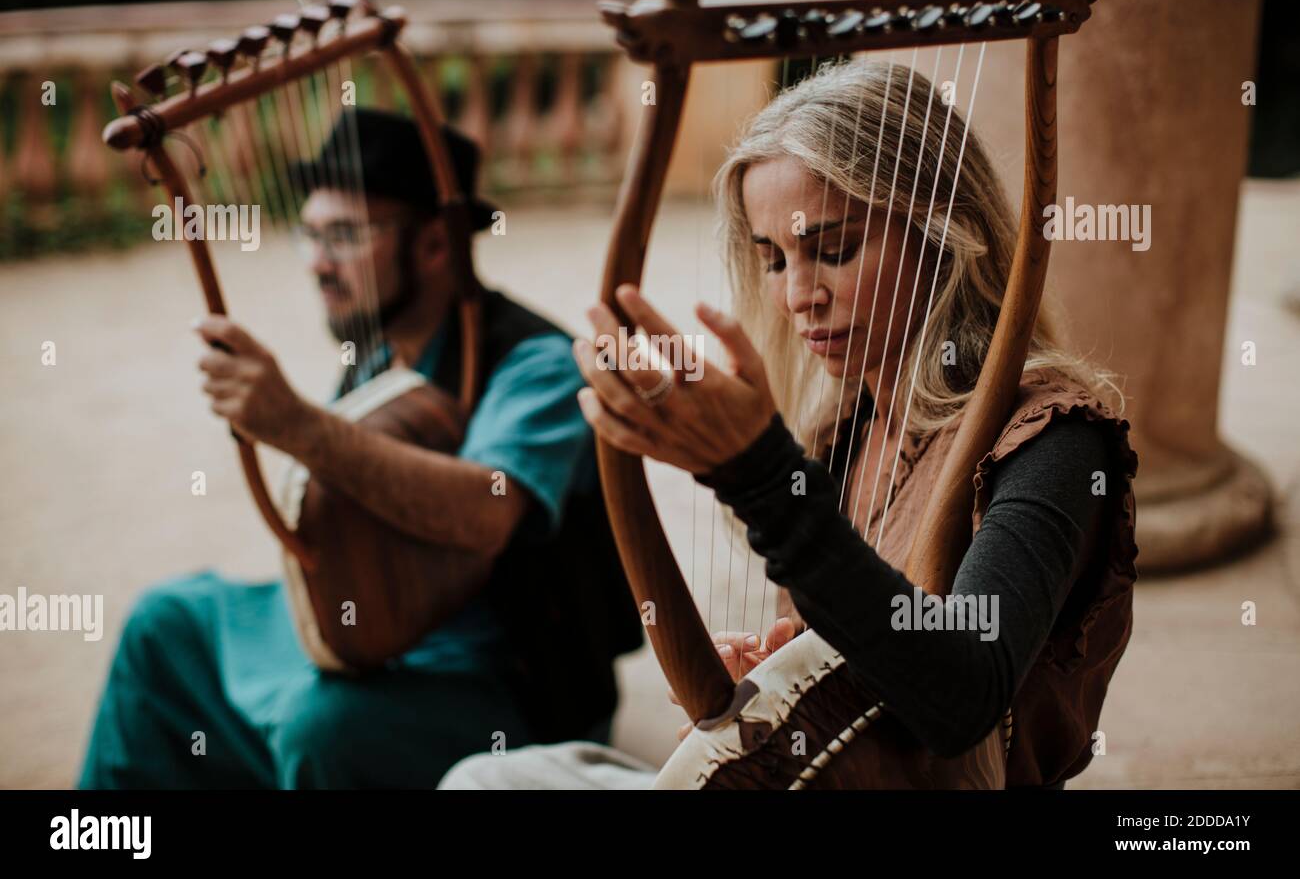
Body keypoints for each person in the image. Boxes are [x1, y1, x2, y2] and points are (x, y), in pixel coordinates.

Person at [441, 59, 1137, 790]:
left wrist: (760, 476)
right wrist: (781, 680)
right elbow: (867, 660)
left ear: (944, 232)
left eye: (834, 250)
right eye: (773, 260)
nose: (800, 294)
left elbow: (965, 696)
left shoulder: (1055, 440)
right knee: (491, 778)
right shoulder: (847, 432)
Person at [79, 108, 641, 789]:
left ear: (434, 244)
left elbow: (487, 512)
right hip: (381, 631)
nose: (318, 264)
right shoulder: (376, 357)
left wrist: (299, 425)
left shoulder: (540, 363)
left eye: (344, 235)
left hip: (509, 684)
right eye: (310, 235)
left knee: (322, 727)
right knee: (165, 624)